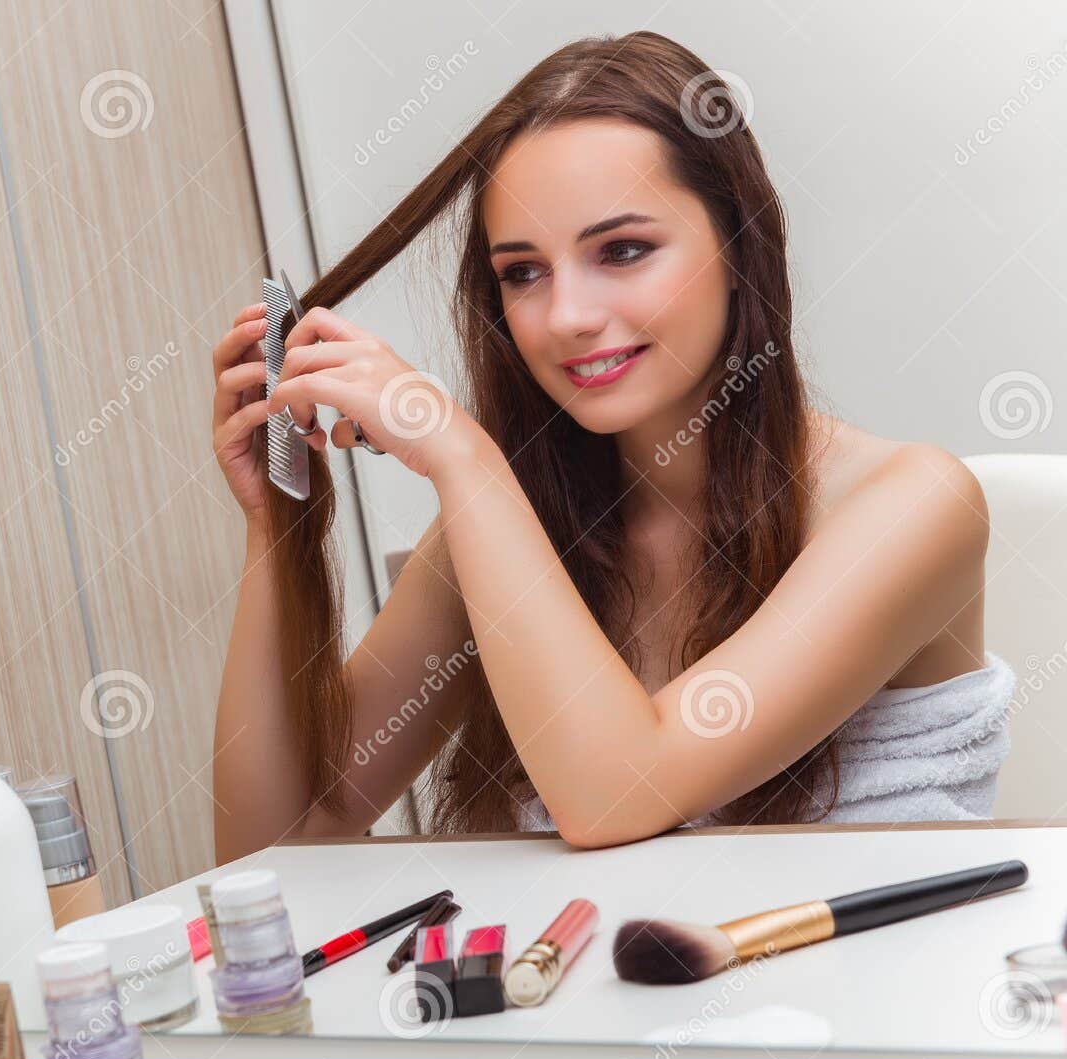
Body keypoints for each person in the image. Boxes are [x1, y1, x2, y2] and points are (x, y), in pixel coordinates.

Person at [210, 31, 1014, 862]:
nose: (566, 317)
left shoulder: (916, 504)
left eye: (622, 251)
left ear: (740, 249)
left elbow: (619, 795)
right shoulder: (503, 531)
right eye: (523, 272)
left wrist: (462, 455)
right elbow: (277, 847)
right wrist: (279, 526)